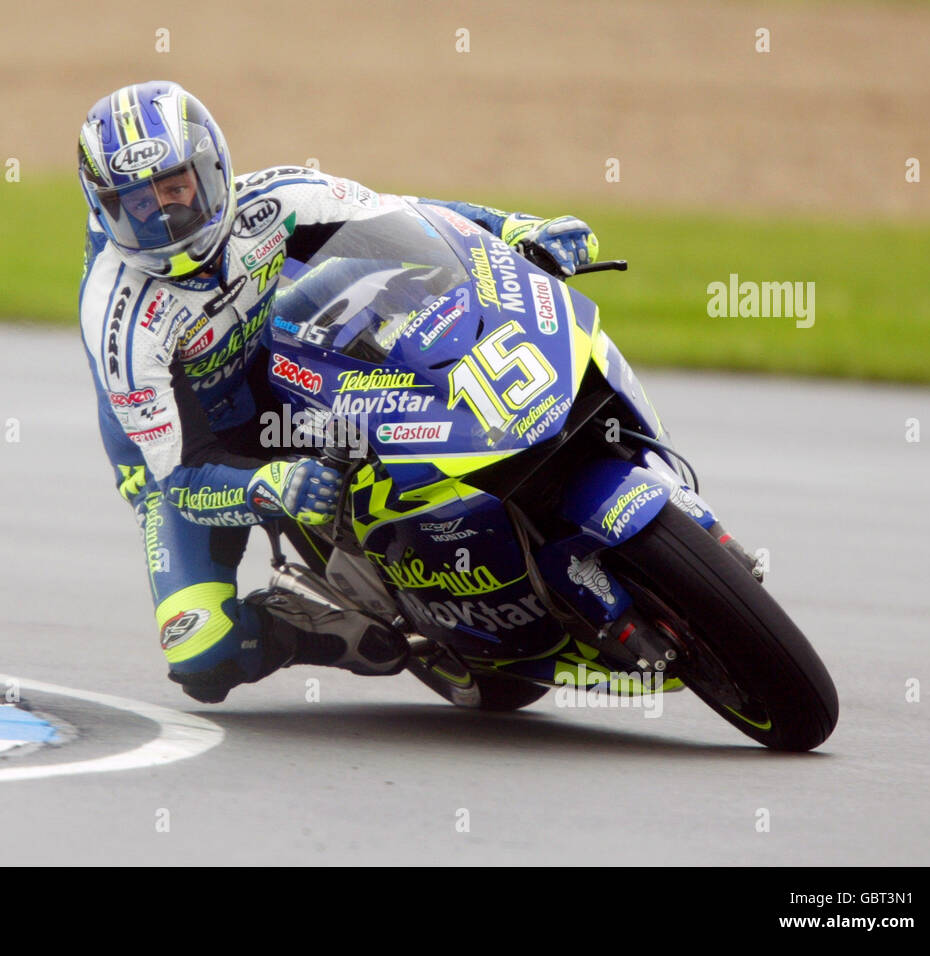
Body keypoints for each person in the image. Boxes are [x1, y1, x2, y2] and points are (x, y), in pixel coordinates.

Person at [78, 80, 598, 703]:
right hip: (188, 454)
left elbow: (400, 216)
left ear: (211, 169)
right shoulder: (120, 320)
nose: (165, 214)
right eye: (139, 203)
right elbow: (181, 479)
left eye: (175, 187)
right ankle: (313, 628)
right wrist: (268, 486)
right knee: (202, 655)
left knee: (403, 306)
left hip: (276, 368)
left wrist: (512, 229)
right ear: (108, 209)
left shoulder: (270, 199)